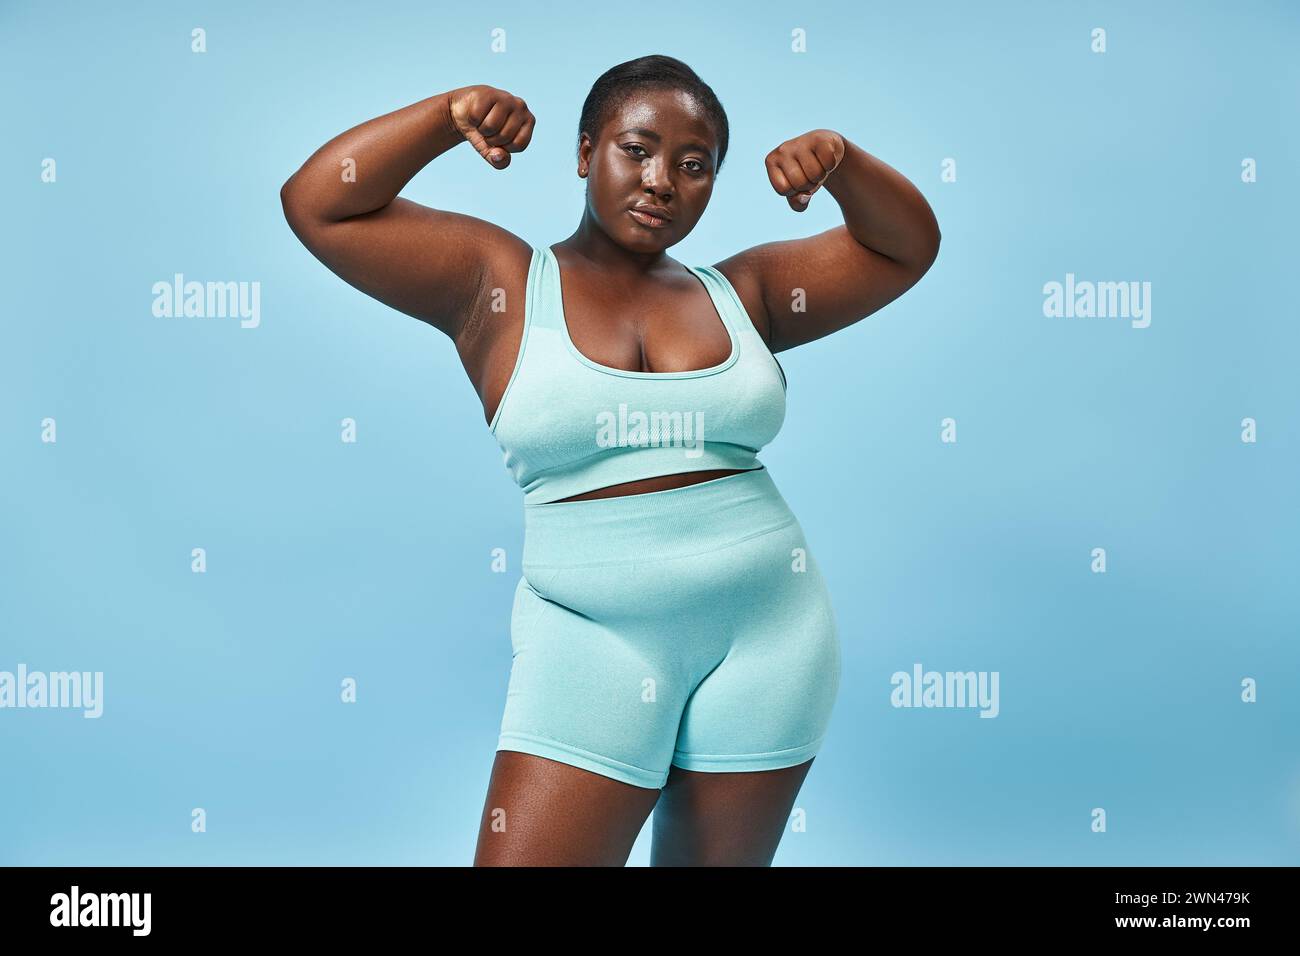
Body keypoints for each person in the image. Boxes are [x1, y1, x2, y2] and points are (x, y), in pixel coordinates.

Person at [280, 54, 940, 866]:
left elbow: (906, 246)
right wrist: (446, 116)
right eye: (638, 149)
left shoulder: (748, 292)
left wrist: (843, 164)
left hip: (769, 636)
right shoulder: (499, 283)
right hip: (592, 638)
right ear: (585, 151)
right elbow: (319, 204)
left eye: (694, 167)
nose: (662, 180)